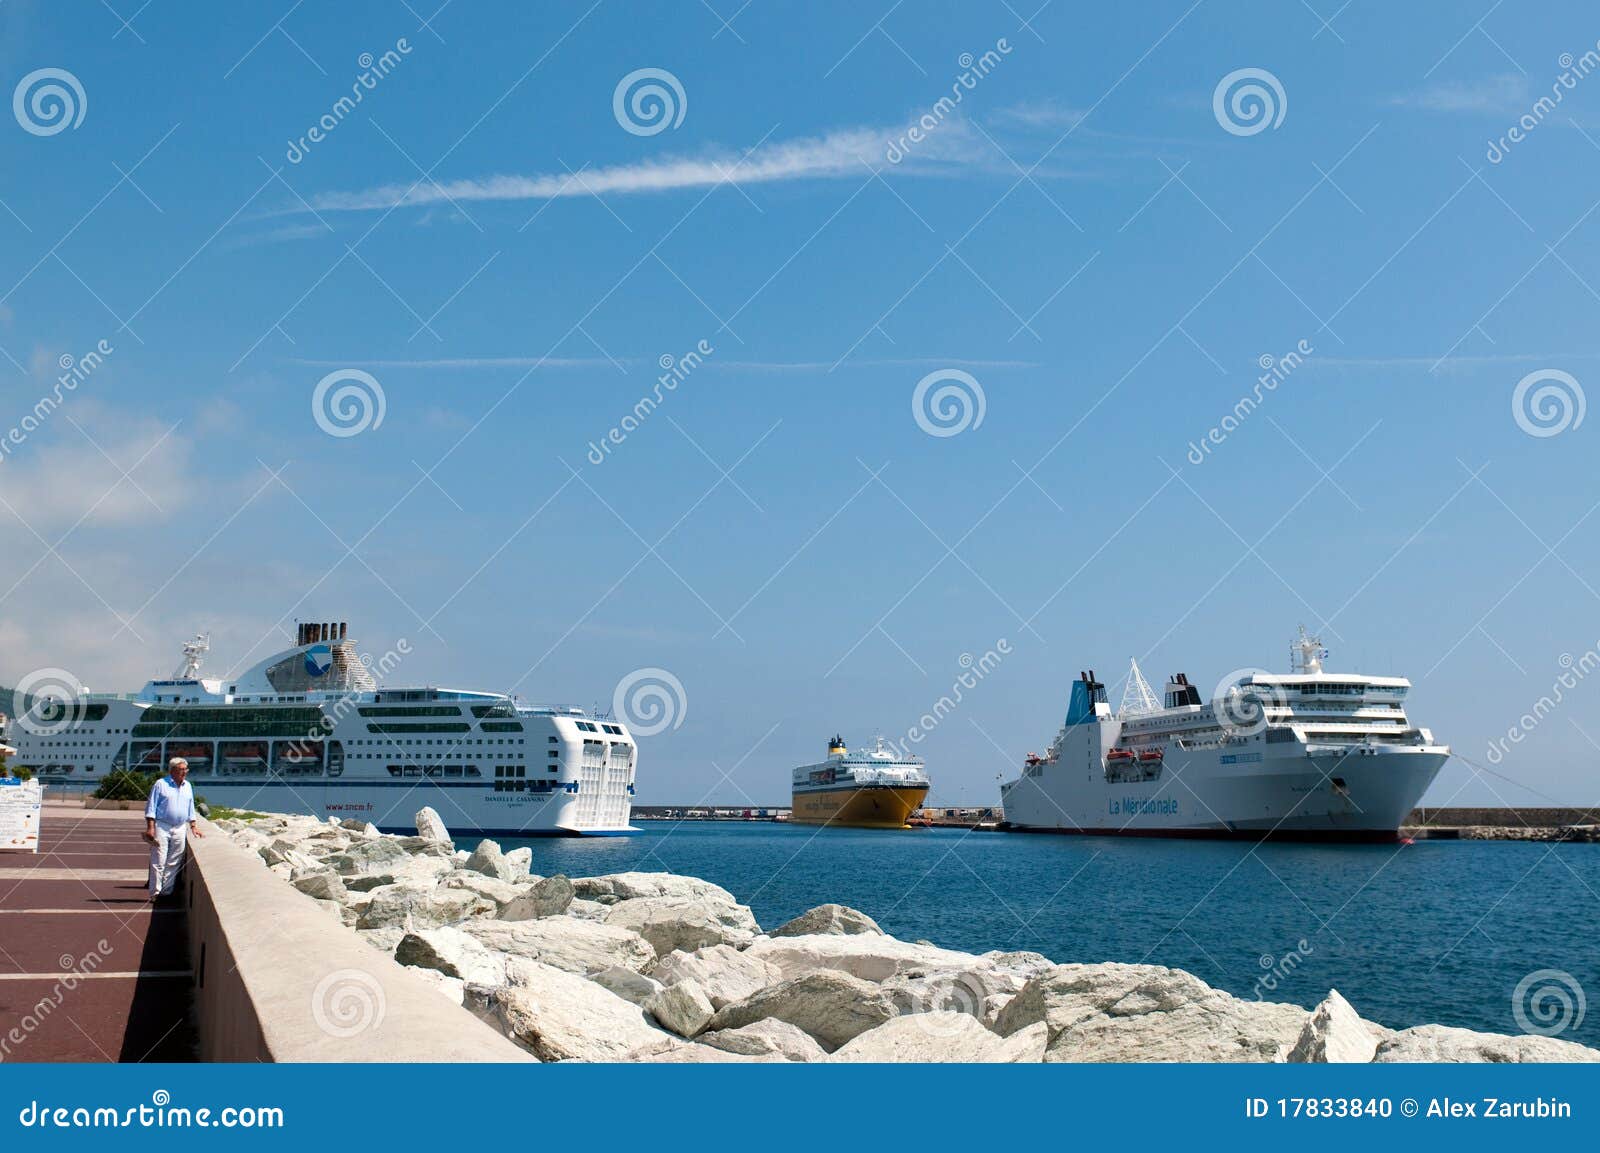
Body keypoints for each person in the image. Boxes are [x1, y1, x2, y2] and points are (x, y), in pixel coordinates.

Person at [144, 757, 203, 901]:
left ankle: (166, 892)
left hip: (180, 827)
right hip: (162, 825)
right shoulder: (161, 784)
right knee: (158, 859)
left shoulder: (187, 786)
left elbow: (190, 808)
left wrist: (193, 826)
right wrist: (150, 828)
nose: (184, 772)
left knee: (174, 861)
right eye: (181, 769)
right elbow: (151, 807)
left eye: (186, 770)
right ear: (172, 770)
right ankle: (155, 893)